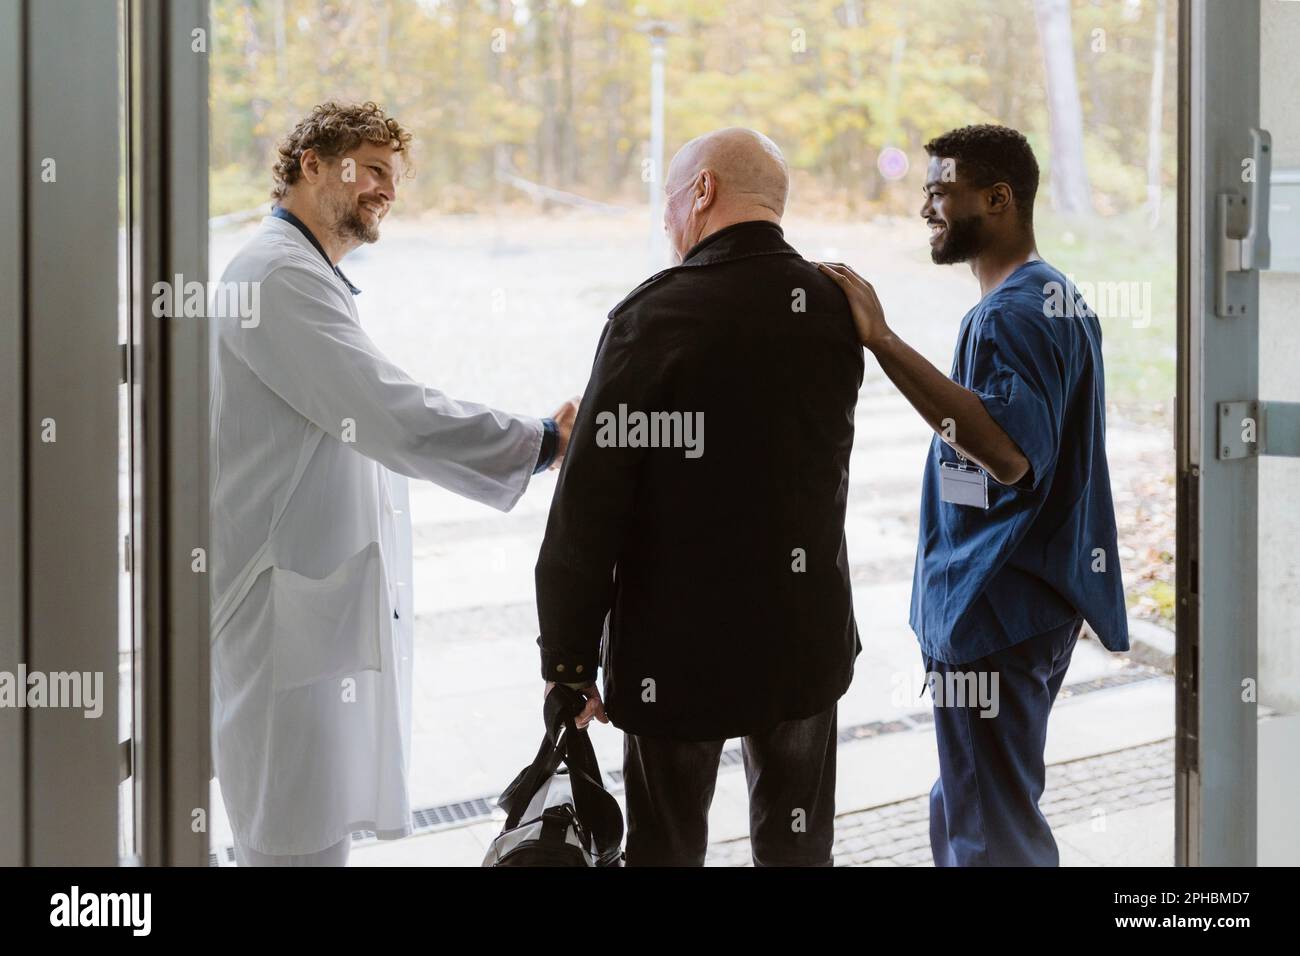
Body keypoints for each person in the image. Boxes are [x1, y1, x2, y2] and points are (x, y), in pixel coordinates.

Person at [209, 101, 577, 866]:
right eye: (371, 169)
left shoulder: (304, 271)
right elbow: (388, 413)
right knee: (290, 841)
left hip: (299, 605)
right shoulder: (277, 275)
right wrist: (541, 440)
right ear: (311, 164)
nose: (388, 190)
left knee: (309, 831)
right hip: (277, 615)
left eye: (394, 176)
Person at [534, 127, 863, 867]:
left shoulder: (653, 316)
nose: (669, 224)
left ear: (704, 191)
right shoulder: (836, 303)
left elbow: (586, 517)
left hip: (677, 653)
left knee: (666, 848)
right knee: (799, 848)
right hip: (804, 642)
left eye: (670, 204)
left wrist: (567, 665)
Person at [819, 124, 1128, 866]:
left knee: (991, 834)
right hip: (1028, 609)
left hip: (996, 613)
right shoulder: (1053, 294)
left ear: (998, 198)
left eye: (942, 191)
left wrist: (882, 341)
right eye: (925, 191)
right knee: (971, 802)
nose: (927, 208)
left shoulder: (1011, 314)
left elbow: (1009, 455)